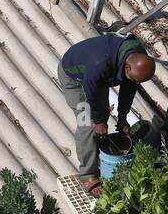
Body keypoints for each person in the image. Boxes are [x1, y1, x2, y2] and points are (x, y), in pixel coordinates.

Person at [55, 33, 155, 196]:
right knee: (87, 123)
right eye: (132, 77)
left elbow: (129, 86)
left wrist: (122, 117)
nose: (133, 81)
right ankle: (87, 174)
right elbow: (90, 89)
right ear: (127, 66)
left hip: (97, 78)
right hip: (75, 79)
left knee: (101, 116)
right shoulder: (99, 64)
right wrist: (98, 120)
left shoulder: (137, 54)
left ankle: (99, 152)